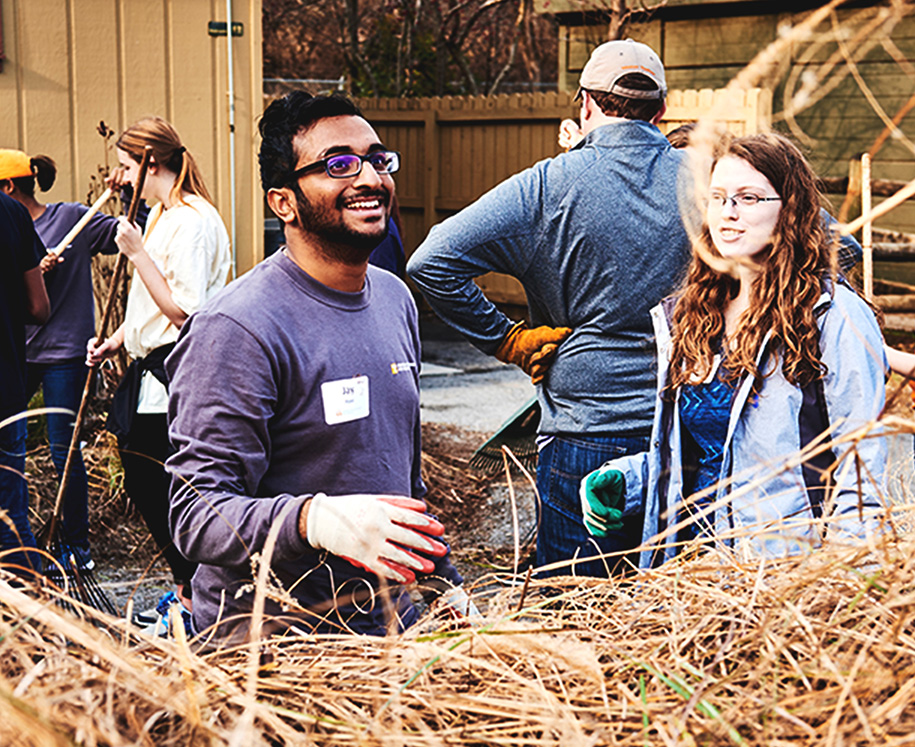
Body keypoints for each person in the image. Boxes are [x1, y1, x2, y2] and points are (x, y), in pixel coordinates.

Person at [165, 91, 465, 642]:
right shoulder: (237, 328)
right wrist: (316, 521)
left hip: (388, 633)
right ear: (284, 202)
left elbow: (401, 475)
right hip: (277, 654)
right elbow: (197, 515)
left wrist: (441, 581)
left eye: (377, 159)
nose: (371, 178)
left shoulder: (396, 299)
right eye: (338, 165)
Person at [408, 40, 694, 577]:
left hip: (587, 430)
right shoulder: (713, 180)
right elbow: (838, 249)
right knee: (678, 610)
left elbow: (432, 262)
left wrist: (506, 339)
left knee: (576, 611)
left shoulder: (546, 186)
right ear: (661, 110)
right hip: (696, 426)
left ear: (584, 104)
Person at [580, 132, 887, 565]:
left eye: (748, 198)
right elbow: (708, 460)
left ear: (791, 210)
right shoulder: (692, 315)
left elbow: (863, 473)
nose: (728, 213)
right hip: (693, 577)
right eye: (718, 197)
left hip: (782, 578)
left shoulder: (832, 317)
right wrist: (630, 480)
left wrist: (831, 592)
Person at [86, 118, 230, 617]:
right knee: (145, 470)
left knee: (158, 481)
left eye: (128, 167)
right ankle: (191, 593)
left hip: (178, 367)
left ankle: (196, 598)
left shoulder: (192, 220)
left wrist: (137, 253)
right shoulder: (160, 214)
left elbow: (186, 312)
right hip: (149, 360)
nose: (122, 178)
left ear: (153, 163)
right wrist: (116, 340)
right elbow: (152, 299)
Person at [0, 150, 149, 570]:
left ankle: (76, 546)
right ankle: (21, 541)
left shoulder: (71, 219)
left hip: (66, 352)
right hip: (19, 352)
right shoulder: (11, 225)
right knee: (13, 441)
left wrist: (127, 196)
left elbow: (127, 234)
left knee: (63, 451)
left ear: (10, 187)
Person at [0, 189, 50, 576]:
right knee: (10, 518)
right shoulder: (12, 213)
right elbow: (38, 307)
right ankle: (28, 631)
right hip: (6, 390)